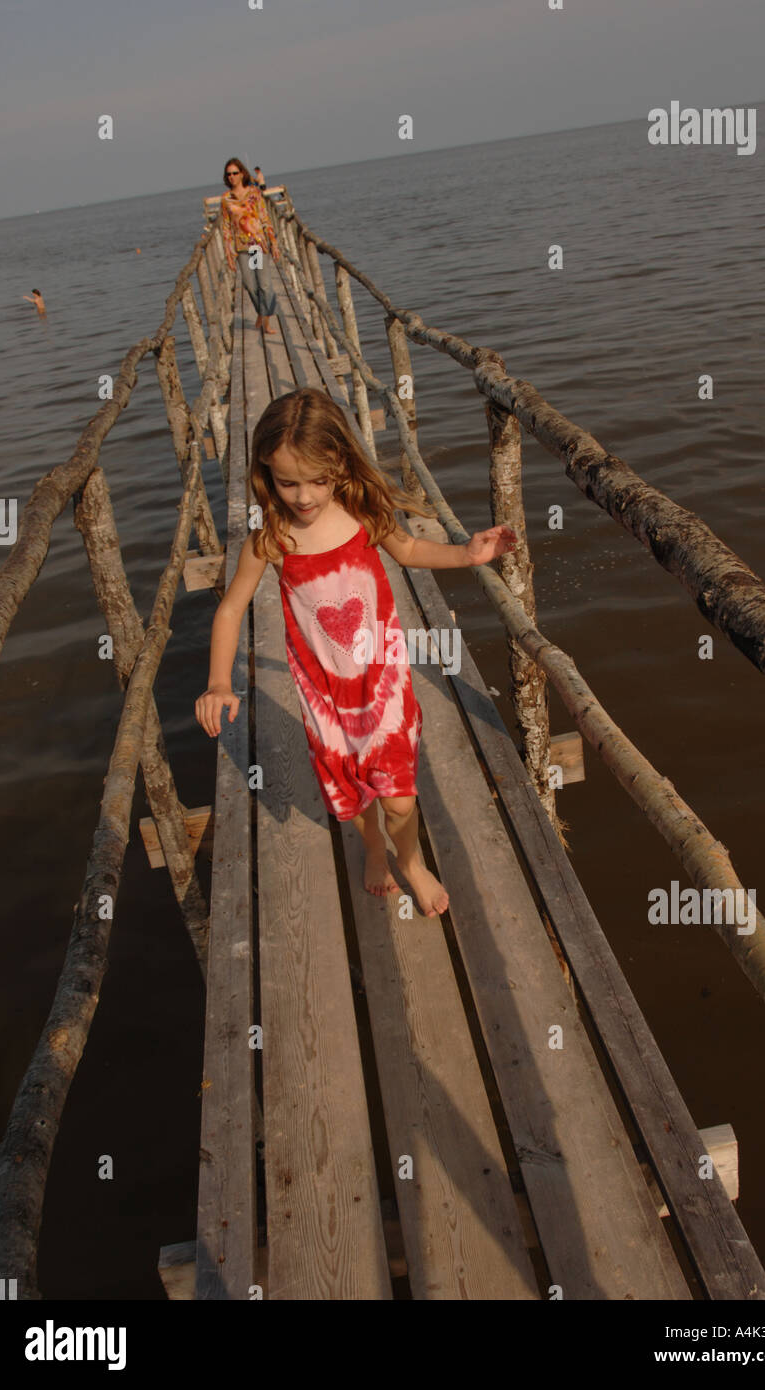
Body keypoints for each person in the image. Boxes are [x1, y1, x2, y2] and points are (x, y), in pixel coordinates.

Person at [195, 387, 517, 918]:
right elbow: (229, 610)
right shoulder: (271, 539)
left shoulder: (364, 512)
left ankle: (409, 859)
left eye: (317, 480)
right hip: (325, 696)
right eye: (287, 481)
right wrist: (219, 683)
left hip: (382, 681)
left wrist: (467, 552)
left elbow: (410, 550)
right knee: (354, 795)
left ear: (340, 463)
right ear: (265, 474)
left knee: (398, 796)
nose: (302, 496)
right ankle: (373, 849)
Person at [220, 157, 279, 336]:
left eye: (235, 173)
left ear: (242, 173)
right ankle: (262, 311)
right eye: (228, 174)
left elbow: (264, 217)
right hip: (242, 247)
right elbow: (226, 227)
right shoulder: (226, 199)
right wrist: (229, 253)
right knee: (250, 285)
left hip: (257, 245)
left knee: (264, 284)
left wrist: (273, 243)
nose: (231, 177)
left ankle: (266, 320)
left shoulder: (254, 193)